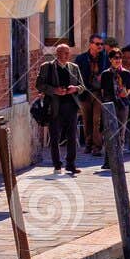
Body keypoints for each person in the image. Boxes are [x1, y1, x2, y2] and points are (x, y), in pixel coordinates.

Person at [36, 42, 85, 174]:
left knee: (72, 136)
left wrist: (75, 88)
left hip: (71, 106)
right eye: (64, 52)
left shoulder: (74, 67)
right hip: (54, 106)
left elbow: (82, 86)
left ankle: (71, 164)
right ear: (57, 54)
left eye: (68, 52)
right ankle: (57, 164)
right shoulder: (47, 67)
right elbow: (39, 85)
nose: (67, 55)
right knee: (55, 136)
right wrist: (54, 90)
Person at [79, 34, 110, 154]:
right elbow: (76, 75)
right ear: (91, 44)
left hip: (99, 93)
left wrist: (104, 76)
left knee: (97, 120)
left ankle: (97, 147)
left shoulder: (106, 58)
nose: (100, 46)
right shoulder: (81, 58)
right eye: (97, 44)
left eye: (102, 44)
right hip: (85, 93)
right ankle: (88, 144)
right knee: (87, 120)